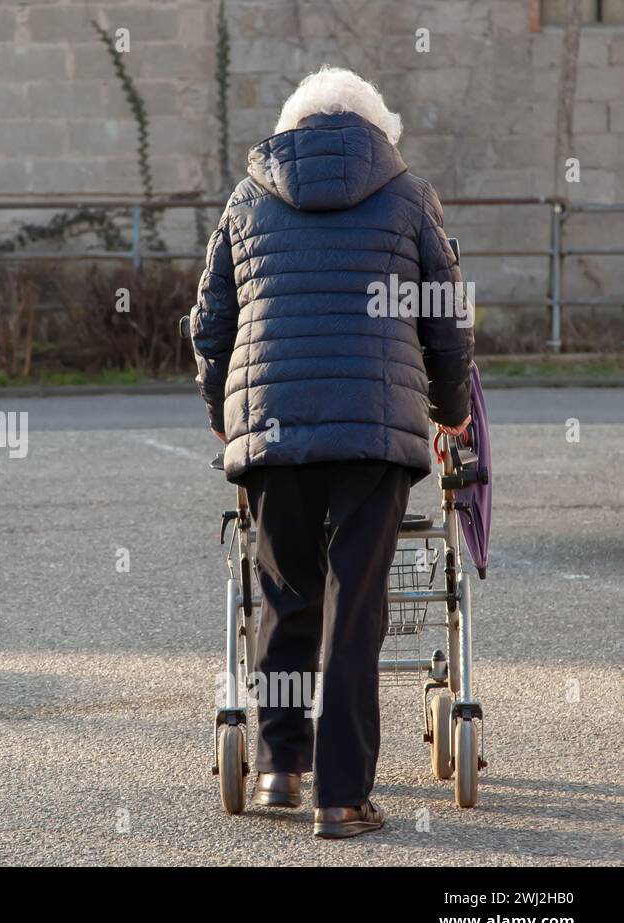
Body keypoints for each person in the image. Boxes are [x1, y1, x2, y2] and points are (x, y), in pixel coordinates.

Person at [189, 65, 473, 839]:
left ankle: (282, 769)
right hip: (375, 429)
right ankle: (342, 798)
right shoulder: (409, 195)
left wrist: (225, 413)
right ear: (376, 130)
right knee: (356, 608)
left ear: (293, 126)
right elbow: (446, 324)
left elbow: (211, 322)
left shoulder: (247, 199)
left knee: (285, 596)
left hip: (273, 429)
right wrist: (450, 412)